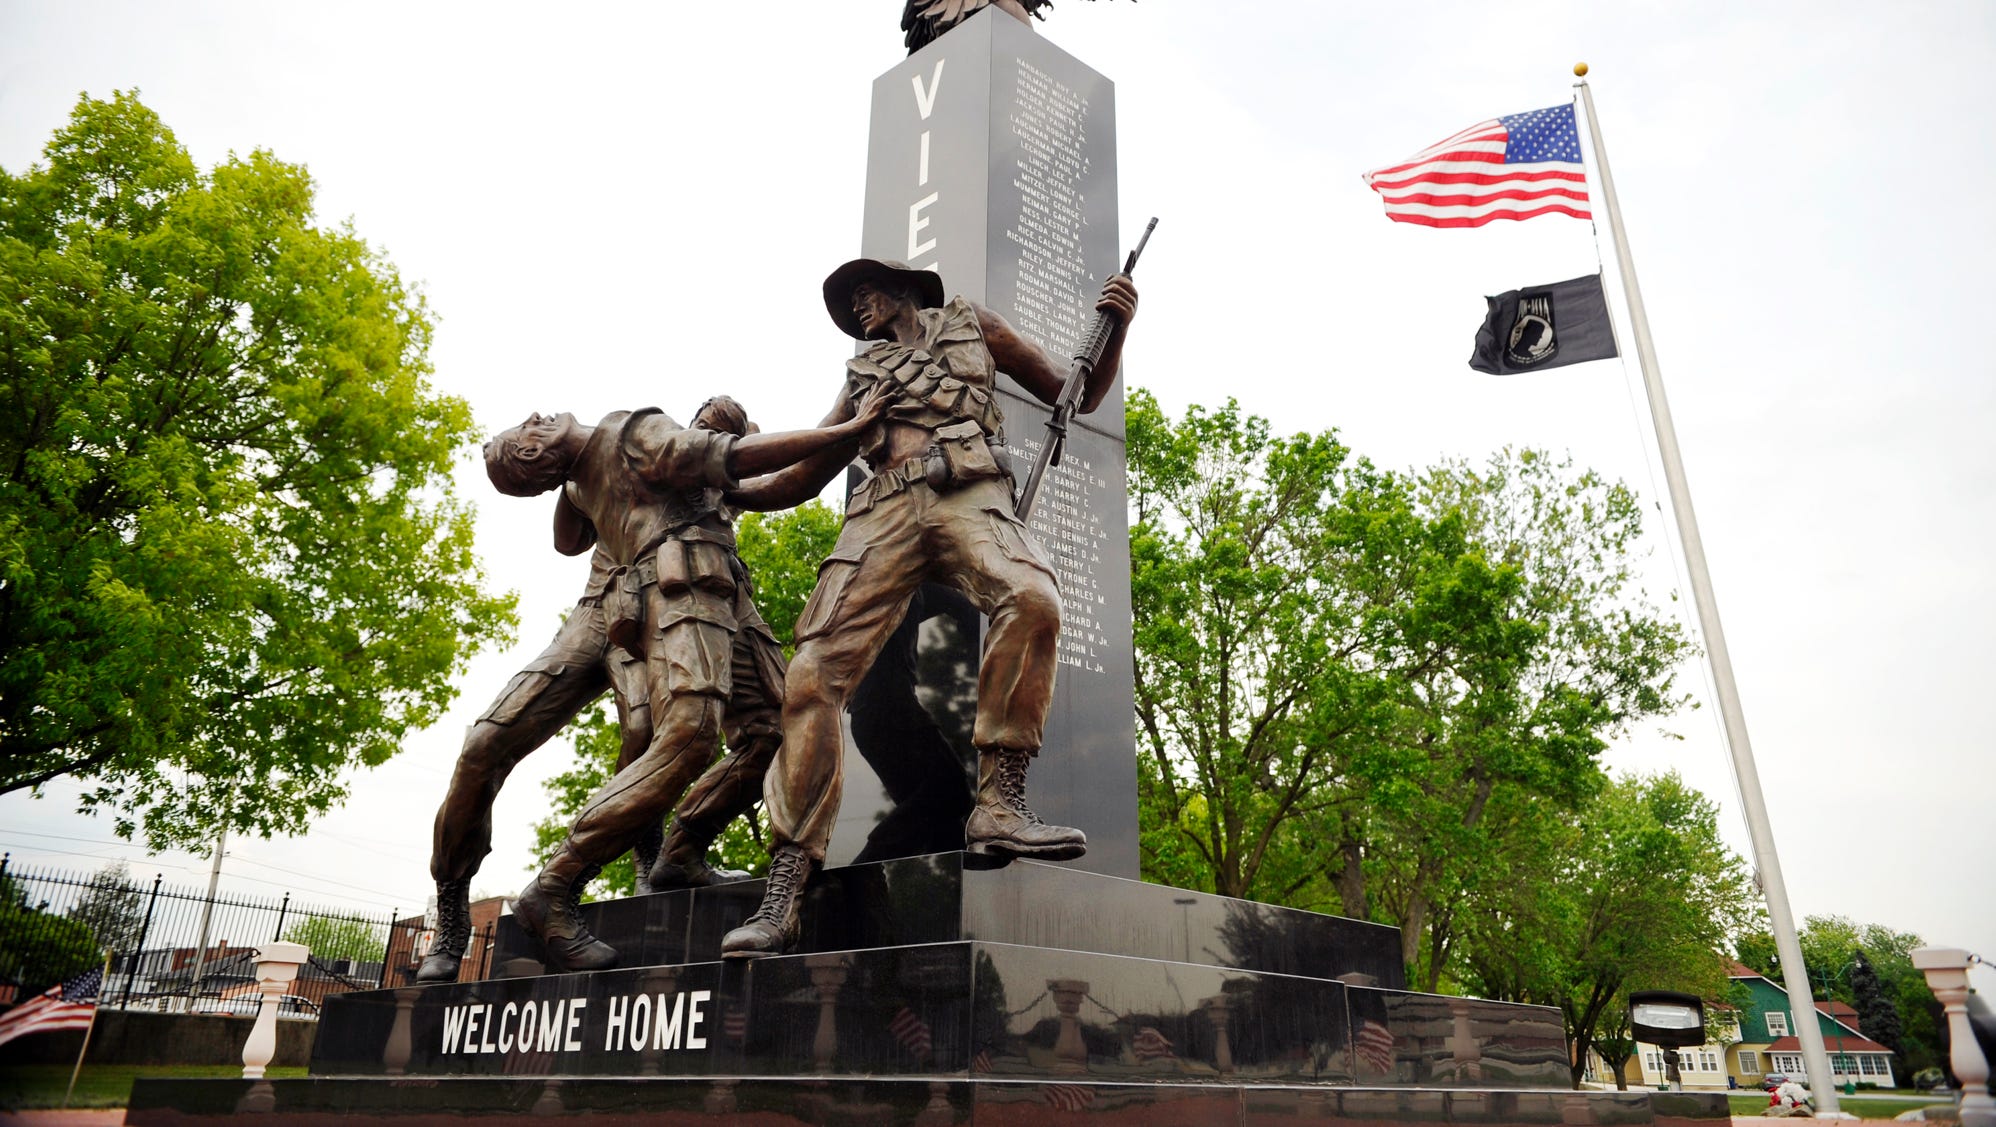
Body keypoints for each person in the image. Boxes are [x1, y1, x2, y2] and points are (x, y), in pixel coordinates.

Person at [719, 259, 1136, 958]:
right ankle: (786, 884)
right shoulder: (861, 377)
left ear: (905, 286)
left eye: (866, 289)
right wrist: (724, 484)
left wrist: (1116, 324)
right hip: (882, 510)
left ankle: (999, 804)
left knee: (1032, 596)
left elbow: (1077, 391)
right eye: (850, 299)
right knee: (812, 673)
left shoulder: (973, 324)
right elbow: (802, 472)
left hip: (970, 492)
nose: (858, 304)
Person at [481, 387, 890, 971]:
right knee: (690, 733)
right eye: (528, 431)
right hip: (684, 588)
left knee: (777, 728)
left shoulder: (631, 485)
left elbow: (785, 483)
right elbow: (741, 459)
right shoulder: (632, 434)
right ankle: (556, 884)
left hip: (728, 596)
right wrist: (848, 428)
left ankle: (682, 851)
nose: (537, 416)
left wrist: (846, 412)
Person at [417, 397, 792, 983]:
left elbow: (767, 480)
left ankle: (656, 862)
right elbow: (568, 542)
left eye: (722, 425)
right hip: (600, 610)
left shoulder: (702, 485)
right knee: (485, 744)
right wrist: (574, 480)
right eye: (705, 417)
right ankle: (451, 907)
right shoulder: (622, 455)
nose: (708, 424)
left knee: (652, 731)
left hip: (659, 608)